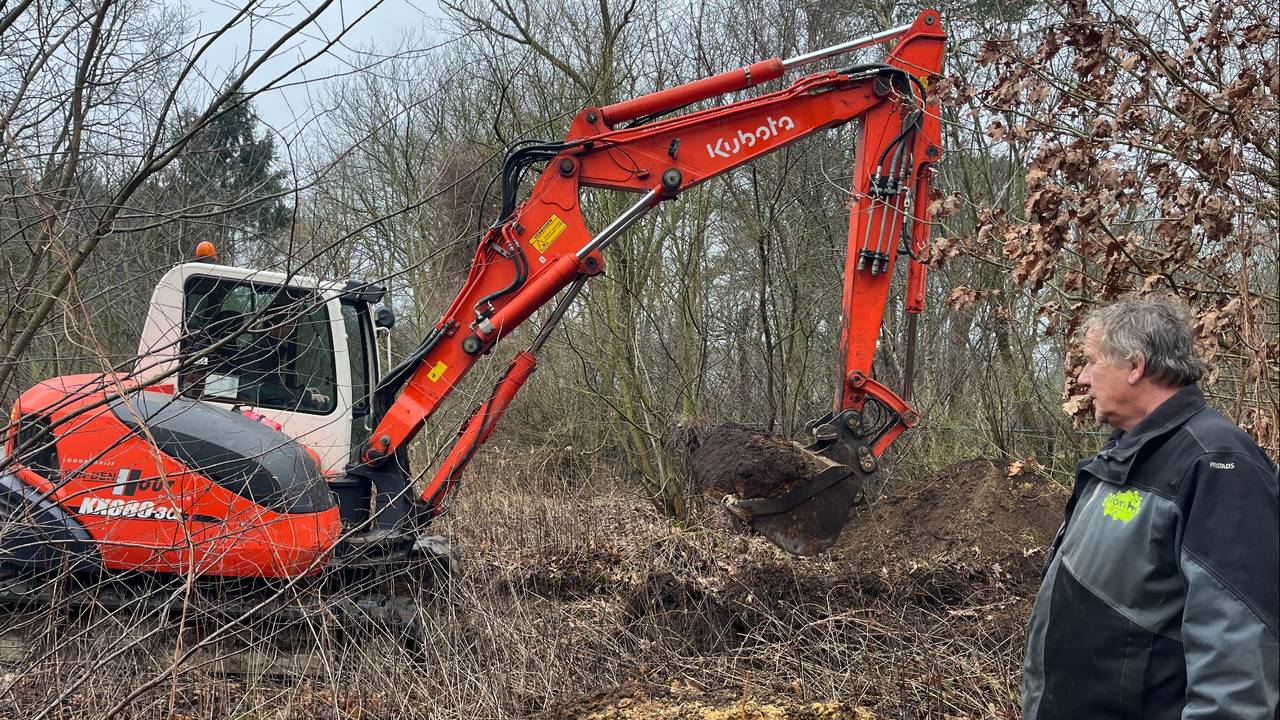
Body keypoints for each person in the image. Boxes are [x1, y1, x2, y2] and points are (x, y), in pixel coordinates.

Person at [1023, 295, 1278, 719]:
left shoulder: (1216, 463)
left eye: (1090, 361)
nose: (1083, 378)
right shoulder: (1128, 456)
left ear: (1135, 366)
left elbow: (1236, 661)